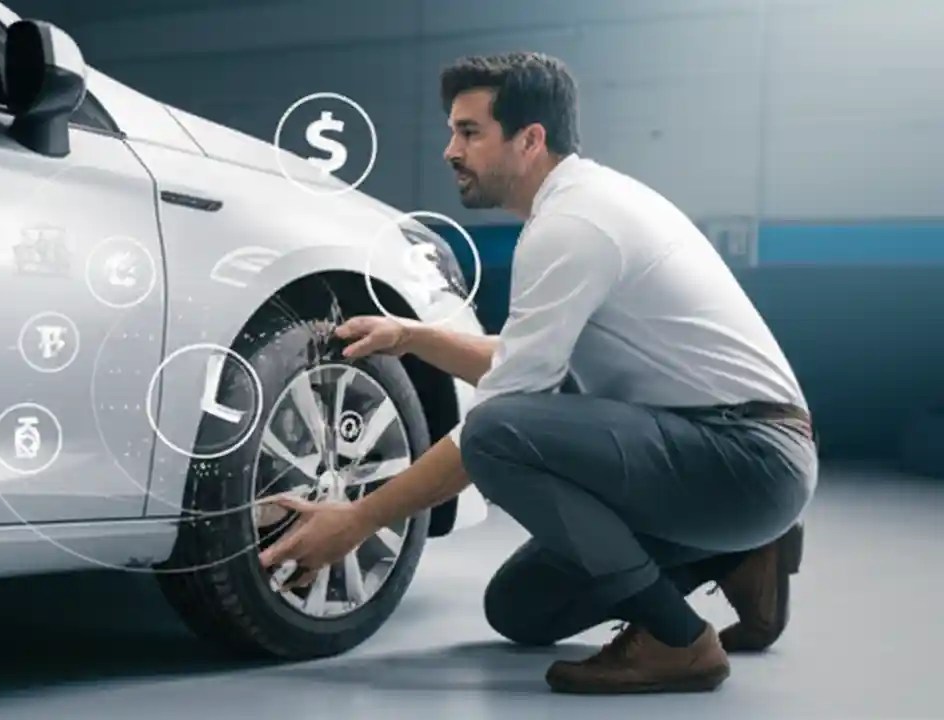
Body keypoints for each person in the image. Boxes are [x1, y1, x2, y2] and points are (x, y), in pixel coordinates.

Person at [257, 51, 818, 695]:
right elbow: (524, 362)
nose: (450, 149)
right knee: (522, 609)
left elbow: (495, 427)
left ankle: (678, 640)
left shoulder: (573, 226)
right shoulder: (585, 203)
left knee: (495, 431)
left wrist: (356, 520)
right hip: (726, 454)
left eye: (469, 131)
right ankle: (739, 552)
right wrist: (410, 337)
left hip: (747, 459)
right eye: (452, 129)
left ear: (530, 140)